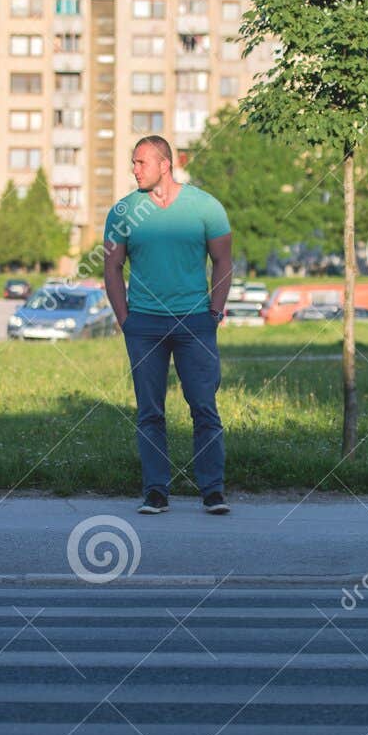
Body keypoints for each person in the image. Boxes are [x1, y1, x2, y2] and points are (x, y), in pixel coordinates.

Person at [103, 136, 235, 515]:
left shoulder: (206, 207)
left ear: (166, 164)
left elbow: (223, 261)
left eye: (140, 162)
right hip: (144, 324)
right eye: (133, 163)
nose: (134, 169)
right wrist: (125, 320)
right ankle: (156, 492)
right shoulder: (124, 211)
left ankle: (212, 491)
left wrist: (215, 312)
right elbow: (111, 268)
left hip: (195, 323)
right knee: (149, 411)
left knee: (204, 407)